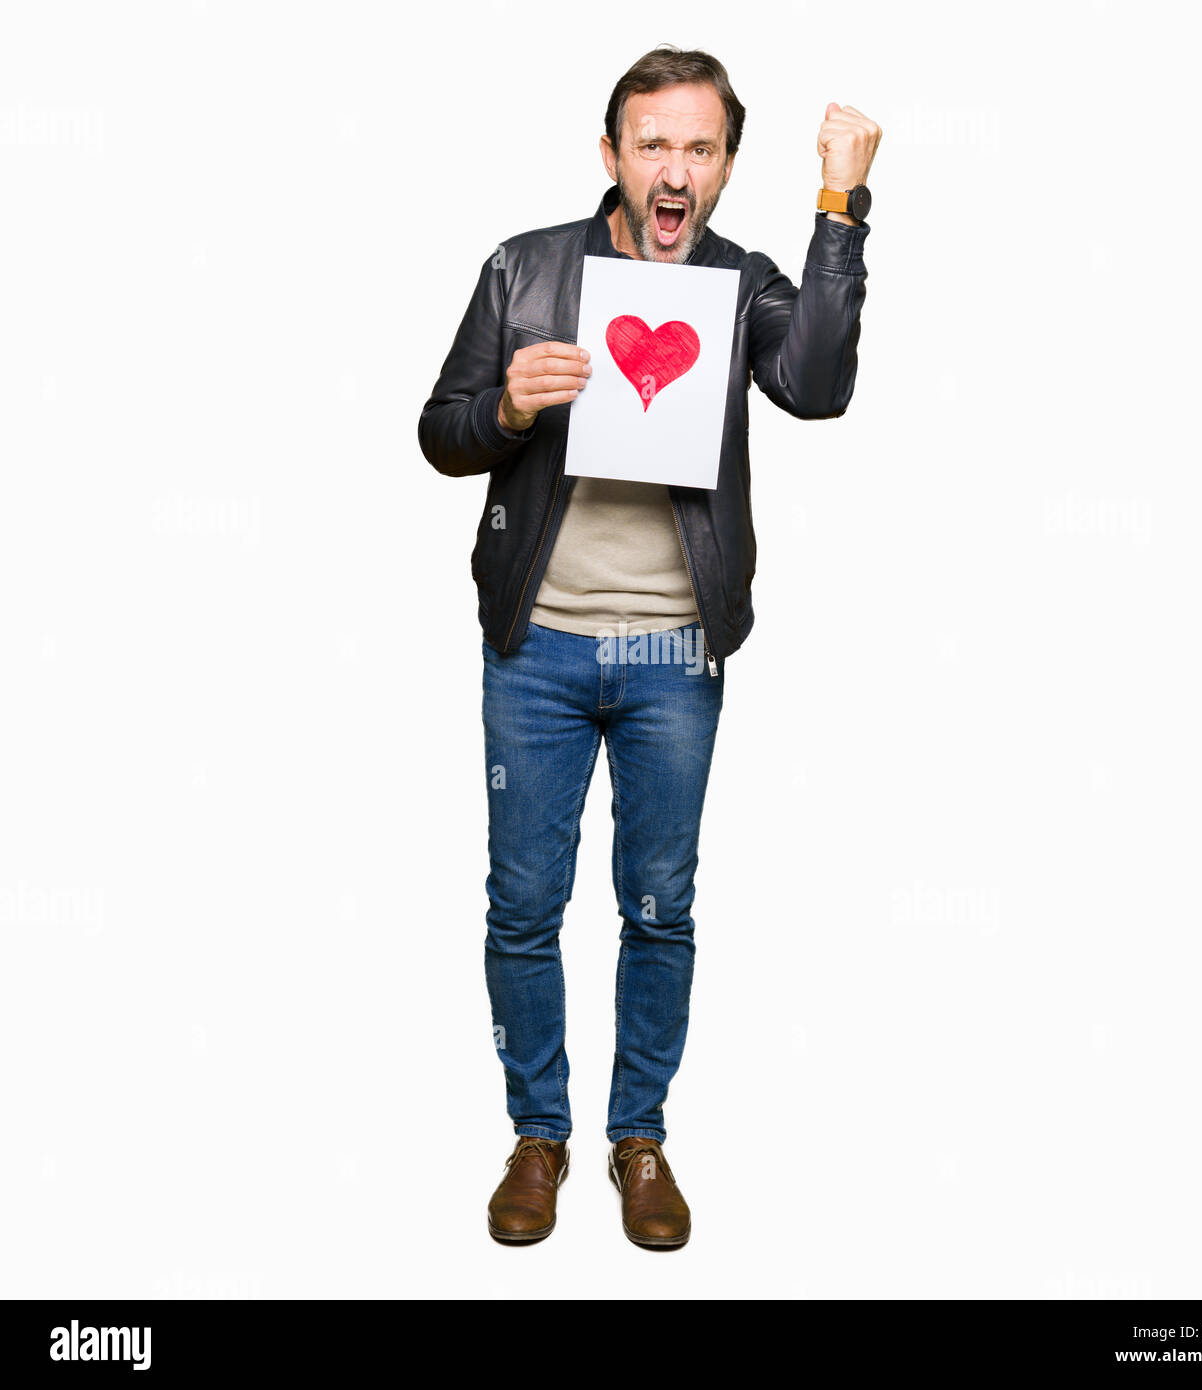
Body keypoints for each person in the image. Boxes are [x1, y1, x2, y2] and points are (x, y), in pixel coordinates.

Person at [417, 45, 881, 1249]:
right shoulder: (527, 270)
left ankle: (640, 1139)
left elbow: (818, 383)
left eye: (700, 147)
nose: (674, 167)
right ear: (612, 156)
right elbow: (441, 431)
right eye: (652, 143)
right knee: (523, 905)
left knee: (659, 906)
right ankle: (538, 1133)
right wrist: (509, 405)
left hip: (678, 654)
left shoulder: (740, 284)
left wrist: (839, 204)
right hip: (538, 650)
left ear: (725, 166)